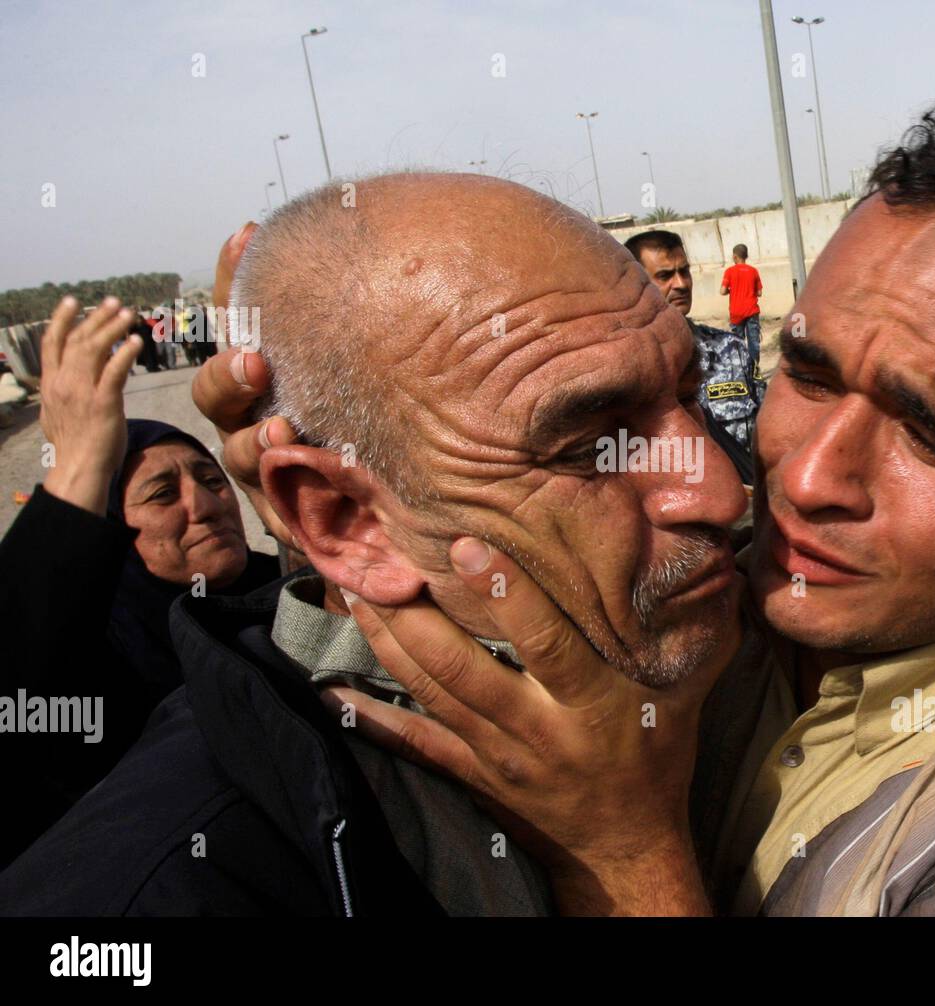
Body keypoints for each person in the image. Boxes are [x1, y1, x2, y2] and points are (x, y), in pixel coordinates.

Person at [298, 105, 935, 916]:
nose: (804, 477)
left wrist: (624, 856)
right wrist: (353, 508)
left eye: (929, 436)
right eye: (811, 376)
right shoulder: (740, 569)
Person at [0, 174, 753, 916]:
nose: (721, 491)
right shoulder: (159, 888)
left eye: (686, 396)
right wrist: (628, 862)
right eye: (593, 446)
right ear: (344, 520)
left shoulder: (737, 639)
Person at [0, 296, 279, 868]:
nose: (203, 505)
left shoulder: (273, 591)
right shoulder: (97, 650)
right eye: (160, 494)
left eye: (211, 478)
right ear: (107, 528)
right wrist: (79, 465)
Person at [625, 230, 764, 471]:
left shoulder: (731, 350)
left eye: (684, 271)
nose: (680, 284)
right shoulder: (624, 370)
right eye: (665, 275)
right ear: (636, 284)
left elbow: (771, 428)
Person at [720, 243, 762, 381]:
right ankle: (754, 371)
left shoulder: (729, 272)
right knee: (753, 342)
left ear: (735, 256)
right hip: (751, 311)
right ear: (746, 256)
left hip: (736, 313)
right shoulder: (753, 271)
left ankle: (741, 373)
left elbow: (722, 291)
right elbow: (759, 292)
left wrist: (733, 290)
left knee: (737, 342)